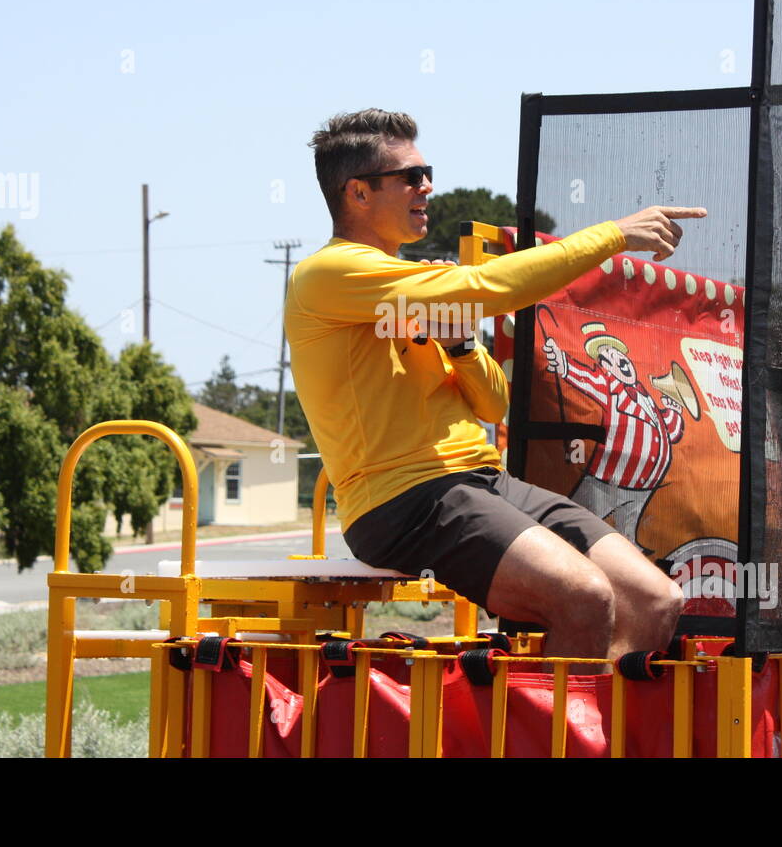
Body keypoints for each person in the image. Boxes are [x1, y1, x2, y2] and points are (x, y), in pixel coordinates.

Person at [284, 108, 706, 670]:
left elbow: (491, 403)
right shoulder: (329, 273)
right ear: (358, 192)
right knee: (584, 597)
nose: (427, 185)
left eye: (426, 172)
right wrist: (613, 236)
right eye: (411, 175)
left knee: (656, 600)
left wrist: (459, 346)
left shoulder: (409, 286)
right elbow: (488, 285)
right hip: (404, 501)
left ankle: (602, 737)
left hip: (483, 480)